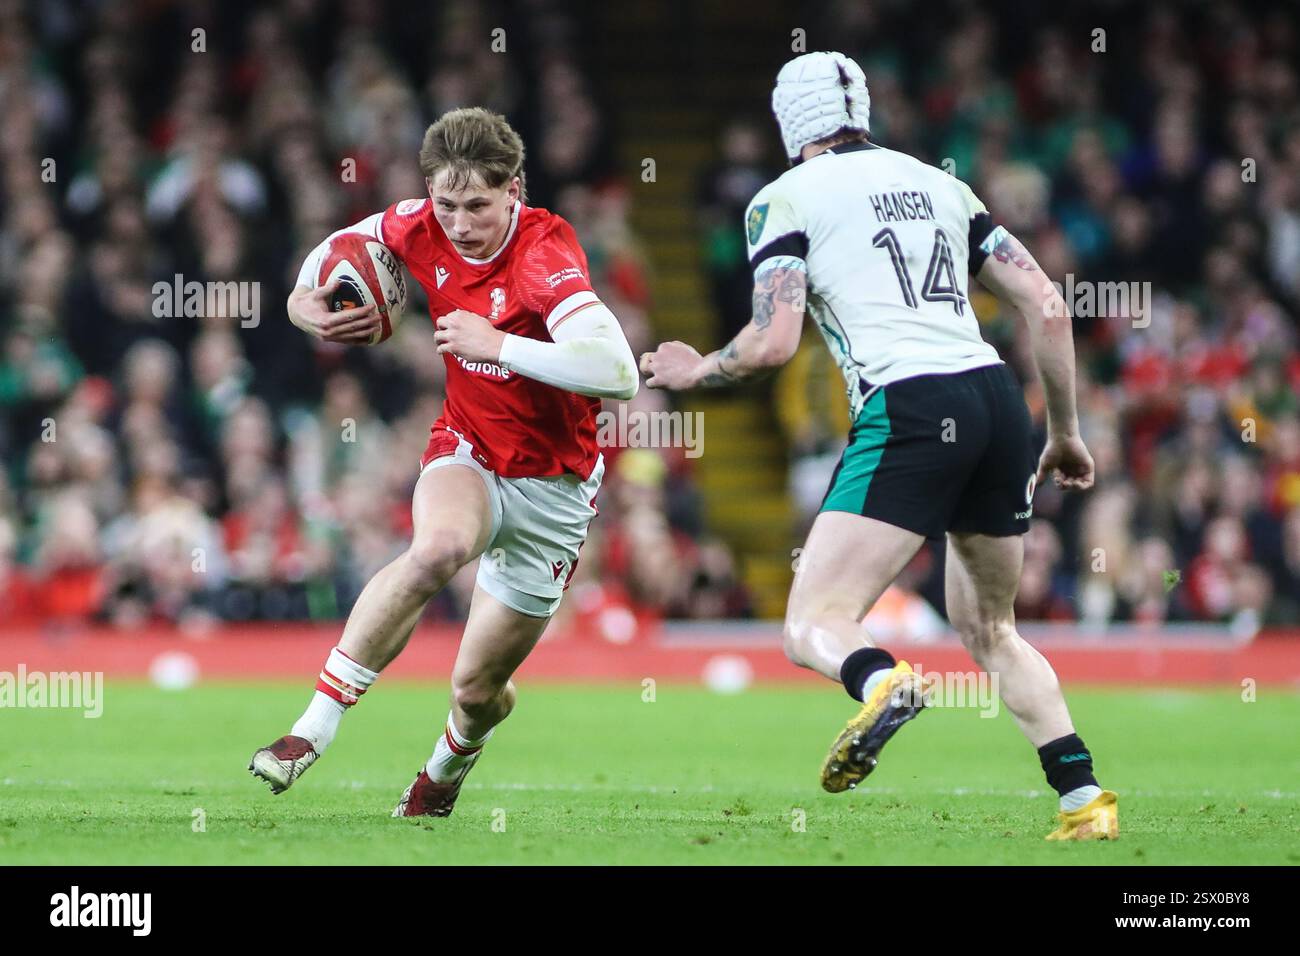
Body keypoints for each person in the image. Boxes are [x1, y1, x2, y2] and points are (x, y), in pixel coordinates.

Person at [640, 53, 1117, 841]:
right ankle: (1084, 799)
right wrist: (1064, 431)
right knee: (992, 629)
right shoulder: (942, 183)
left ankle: (881, 679)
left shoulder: (782, 197)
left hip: (911, 404)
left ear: (789, 122)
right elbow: (1047, 304)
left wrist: (696, 371)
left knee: (811, 622)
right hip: (996, 400)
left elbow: (770, 345)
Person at [248, 107, 638, 817]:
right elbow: (339, 246)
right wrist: (306, 308)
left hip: (556, 488)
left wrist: (499, 345)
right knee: (439, 548)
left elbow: (617, 371)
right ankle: (312, 729)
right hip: (469, 448)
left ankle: (442, 777)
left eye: (477, 206)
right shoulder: (418, 220)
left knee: (478, 691)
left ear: (514, 189)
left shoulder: (546, 255)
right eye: (447, 204)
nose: (458, 224)